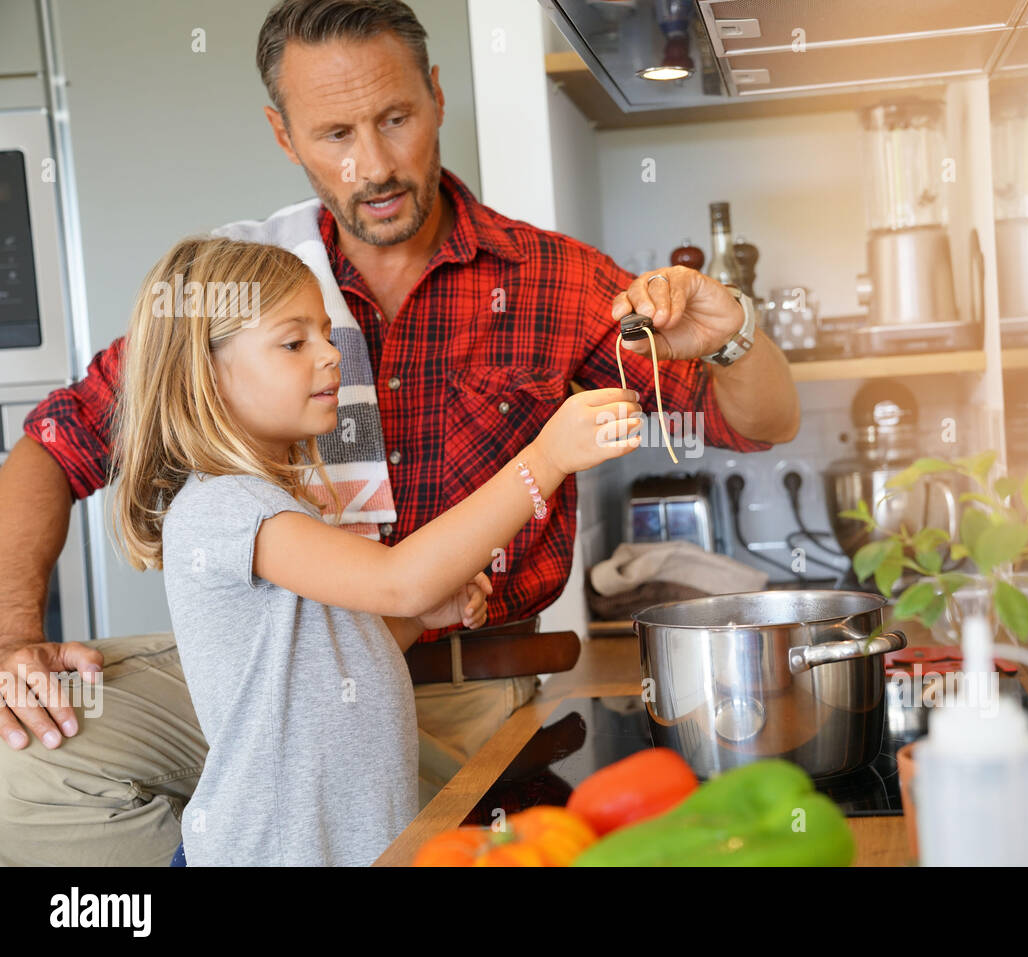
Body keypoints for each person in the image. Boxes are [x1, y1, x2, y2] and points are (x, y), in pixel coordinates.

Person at [0, 0, 799, 865]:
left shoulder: (549, 282)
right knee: (24, 757)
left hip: (446, 682)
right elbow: (54, 441)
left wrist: (733, 335)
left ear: (437, 96)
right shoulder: (243, 290)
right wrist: (12, 639)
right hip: (254, 682)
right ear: (284, 135)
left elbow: (755, 424)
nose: (373, 164)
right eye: (335, 132)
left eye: (395, 119)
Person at [108, 236, 639, 865]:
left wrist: (417, 619)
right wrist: (544, 460)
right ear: (206, 370)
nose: (331, 356)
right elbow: (397, 580)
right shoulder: (228, 507)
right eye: (294, 341)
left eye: (326, 336)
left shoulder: (269, 503)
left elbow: (328, 663)